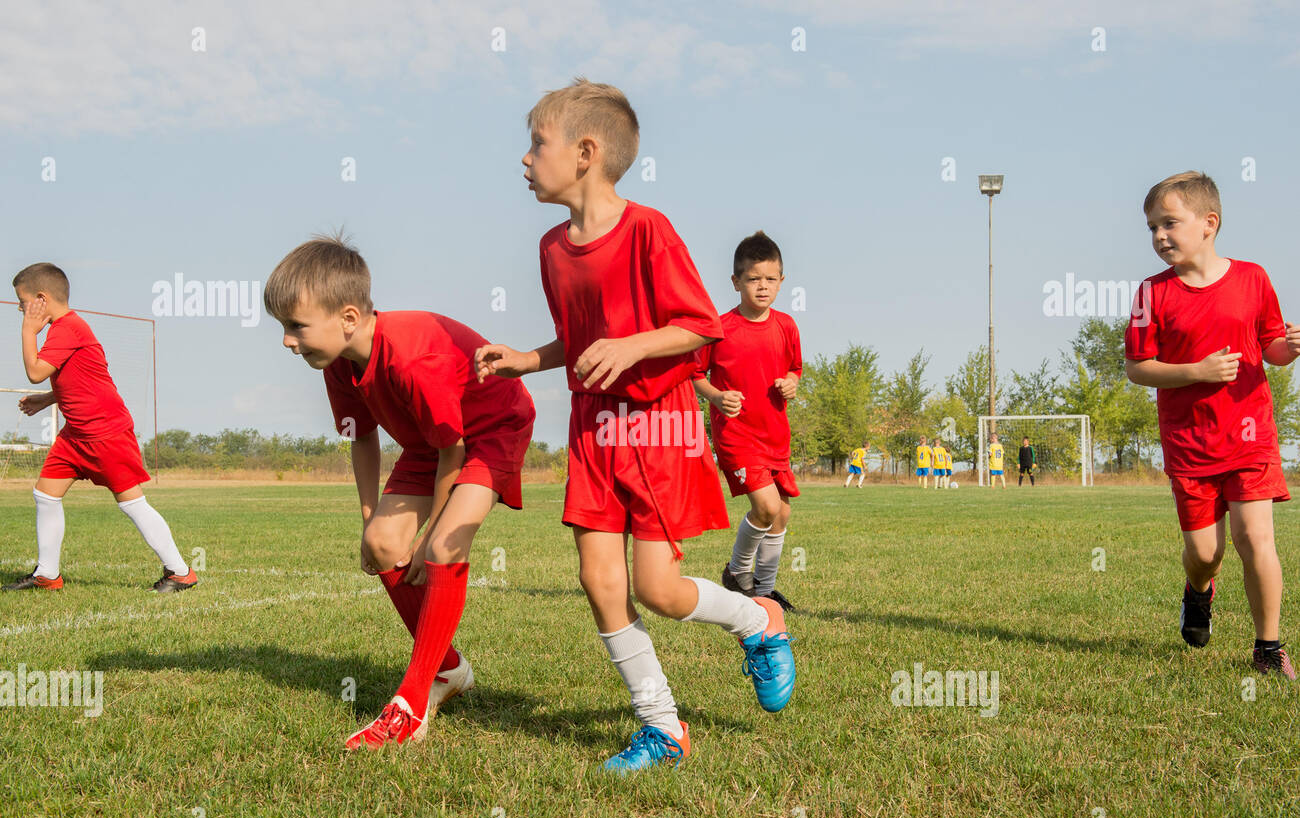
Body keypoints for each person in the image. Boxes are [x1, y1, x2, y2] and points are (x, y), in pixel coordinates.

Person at [475, 79, 796, 772]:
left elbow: (699, 326)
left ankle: (759, 621)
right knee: (599, 580)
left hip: (658, 428)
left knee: (658, 587)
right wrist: (526, 359)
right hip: (594, 431)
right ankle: (662, 726)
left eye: (537, 143)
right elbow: (577, 337)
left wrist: (633, 345)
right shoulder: (551, 250)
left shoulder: (647, 229)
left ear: (585, 152)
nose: (525, 159)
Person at [264, 236, 537, 748]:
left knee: (440, 548)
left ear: (348, 317)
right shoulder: (340, 359)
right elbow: (361, 434)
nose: (286, 340)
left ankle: (412, 703)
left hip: (489, 430)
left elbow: (454, 451)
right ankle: (449, 668)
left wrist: (431, 531)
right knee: (383, 546)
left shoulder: (412, 357)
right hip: (429, 442)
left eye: (295, 326)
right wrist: (371, 517)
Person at [1125, 170, 1297, 679]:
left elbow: (1272, 347)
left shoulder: (1253, 279)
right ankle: (1198, 593)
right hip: (1190, 443)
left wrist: (1292, 347)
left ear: (1209, 223)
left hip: (1250, 437)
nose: (1159, 236)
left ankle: (1268, 648)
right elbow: (1138, 367)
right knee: (1205, 553)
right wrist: (1196, 372)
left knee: (1254, 539)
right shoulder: (1150, 294)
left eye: (1169, 223)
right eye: (1152, 227)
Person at [5, 263, 196, 594]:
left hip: (105, 434)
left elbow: (35, 371)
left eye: (22, 303)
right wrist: (49, 399)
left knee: (132, 504)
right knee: (45, 494)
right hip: (76, 435)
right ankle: (47, 575)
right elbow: (85, 379)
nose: (21, 310)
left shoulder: (68, 328)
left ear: (40, 298)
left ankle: (180, 572)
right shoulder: (65, 330)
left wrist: (27, 330)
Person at [694, 230, 802, 611]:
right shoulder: (719, 329)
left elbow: (794, 369)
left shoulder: (787, 326)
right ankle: (737, 572)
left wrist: (790, 383)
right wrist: (717, 397)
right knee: (767, 507)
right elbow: (694, 374)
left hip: (775, 434)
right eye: (754, 278)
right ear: (736, 281)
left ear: (782, 282)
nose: (762, 286)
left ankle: (764, 590)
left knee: (782, 511)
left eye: (770, 279)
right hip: (737, 436)